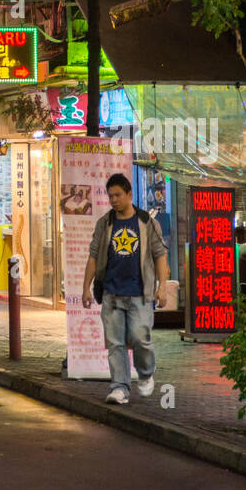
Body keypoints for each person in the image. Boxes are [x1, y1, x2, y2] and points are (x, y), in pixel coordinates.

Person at [82, 173, 169, 405]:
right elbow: (92, 257)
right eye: (110, 196)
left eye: (118, 195)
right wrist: (86, 289)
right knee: (115, 344)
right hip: (111, 294)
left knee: (141, 338)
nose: (113, 200)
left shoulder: (147, 223)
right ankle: (120, 387)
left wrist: (162, 288)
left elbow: (160, 255)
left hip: (139, 294)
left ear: (130, 194)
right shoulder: (105, 223)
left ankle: (146, 372)